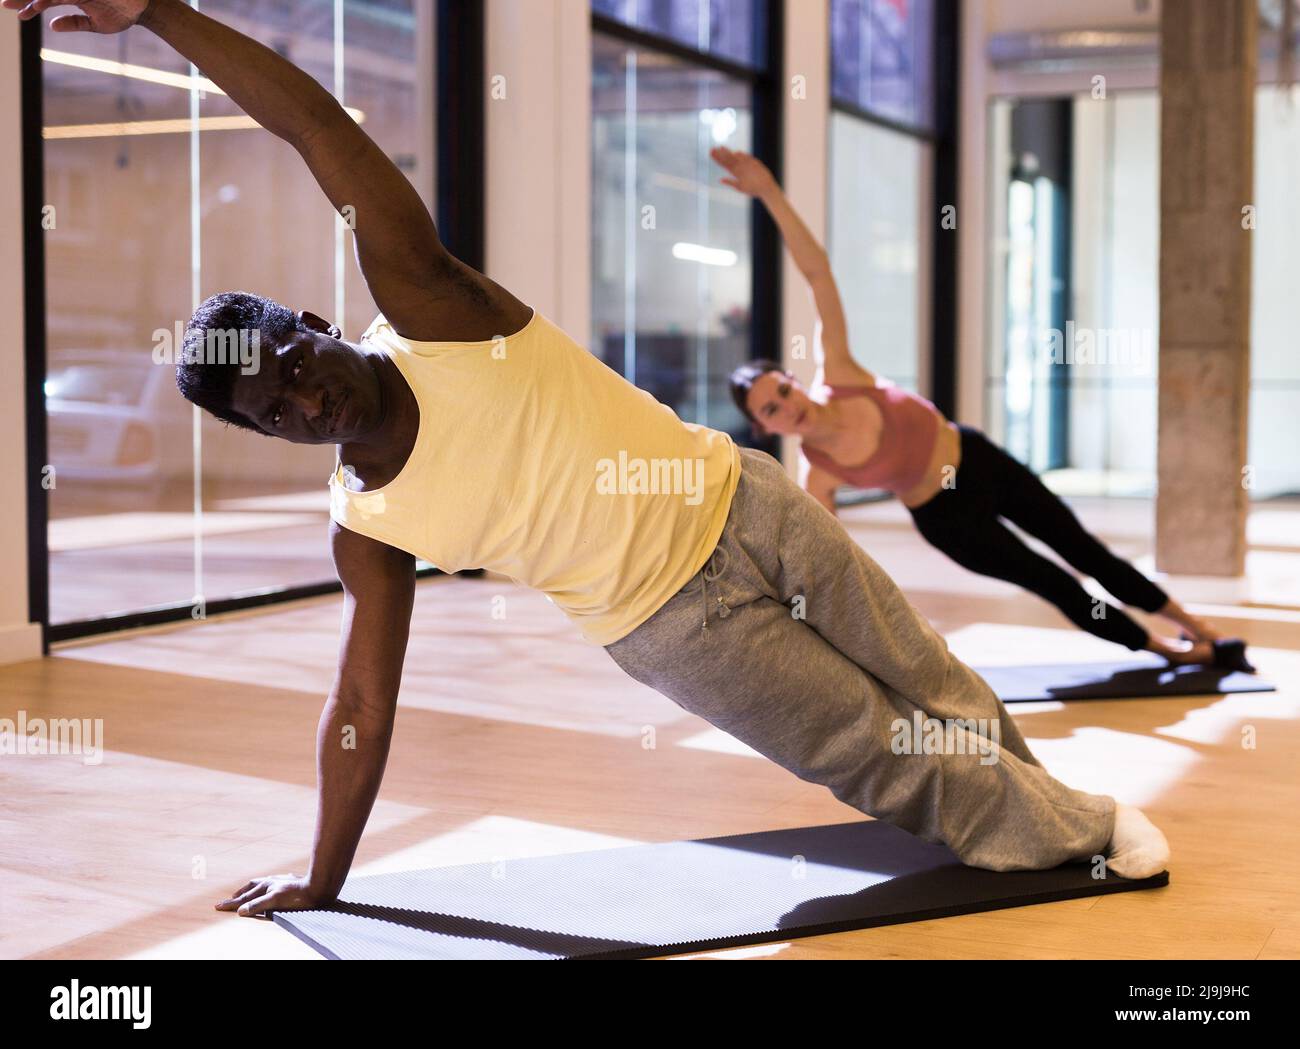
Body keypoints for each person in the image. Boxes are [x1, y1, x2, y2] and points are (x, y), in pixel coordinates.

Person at [7, 0, 1170, 919]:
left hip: (742, 498)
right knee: (874, 750)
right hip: (669, 624)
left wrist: (160, 10)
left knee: (928, 681)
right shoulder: (367, 524)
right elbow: (362, 698)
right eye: (275, 412)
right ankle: (1070, 835)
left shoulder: (429, 304)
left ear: (313, 317)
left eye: (294, 362)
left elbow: (322, 132)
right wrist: (324, 874)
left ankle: (1058, 816)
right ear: (266, 433)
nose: (304, 399)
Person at [716, 147, 1252, 673]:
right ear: (765, 427)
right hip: (949, 520)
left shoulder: (843, 374)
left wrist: (769, 194)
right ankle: (1164, 649)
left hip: (979, 461)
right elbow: (833, 562)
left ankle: (1196, 626)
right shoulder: (820, 472)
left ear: (792, 380)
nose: (787, 406)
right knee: (1053, 582)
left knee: (1081, 549)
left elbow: (818, 275)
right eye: (771, 409)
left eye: (782, 390)